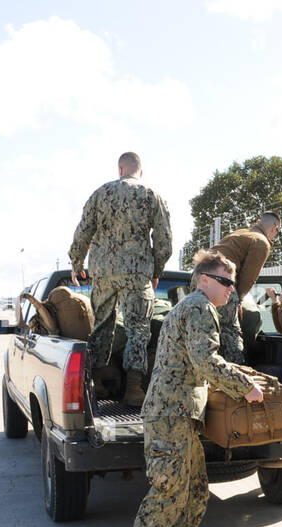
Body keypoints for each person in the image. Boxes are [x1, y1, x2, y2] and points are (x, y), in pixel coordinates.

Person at [111, 250, 264, 527]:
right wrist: (246, 387)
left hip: (181, 413)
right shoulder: (198, 307)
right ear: (204, 280)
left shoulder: (196, 307)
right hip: (169, 414)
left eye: (233, 283)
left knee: (196, 490)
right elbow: (206, 360)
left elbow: (200, 362)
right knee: (168, 490)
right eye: (225, 282)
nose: (230, 289)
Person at [69, 151, 173, 407]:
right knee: (139, 328)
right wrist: (157, 271)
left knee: (102, 326)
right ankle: (134, 389)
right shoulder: (151, 195)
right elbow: (164, 240)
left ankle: (94, 383)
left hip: (103, 272)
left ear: (119, 169)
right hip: (137, 273)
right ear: (141, 170)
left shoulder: (100, 193)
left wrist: (76, 263)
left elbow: (83, 231)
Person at [211, 212, 282, 362]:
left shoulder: (241, 233)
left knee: (207, 327)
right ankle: (235, 374)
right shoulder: (261, 242)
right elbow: (249, 277)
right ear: (275, 228)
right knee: (231, 332)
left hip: (200, 278)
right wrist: (238, 301)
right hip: (221, 282)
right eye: (277, 231)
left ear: (258, 221)